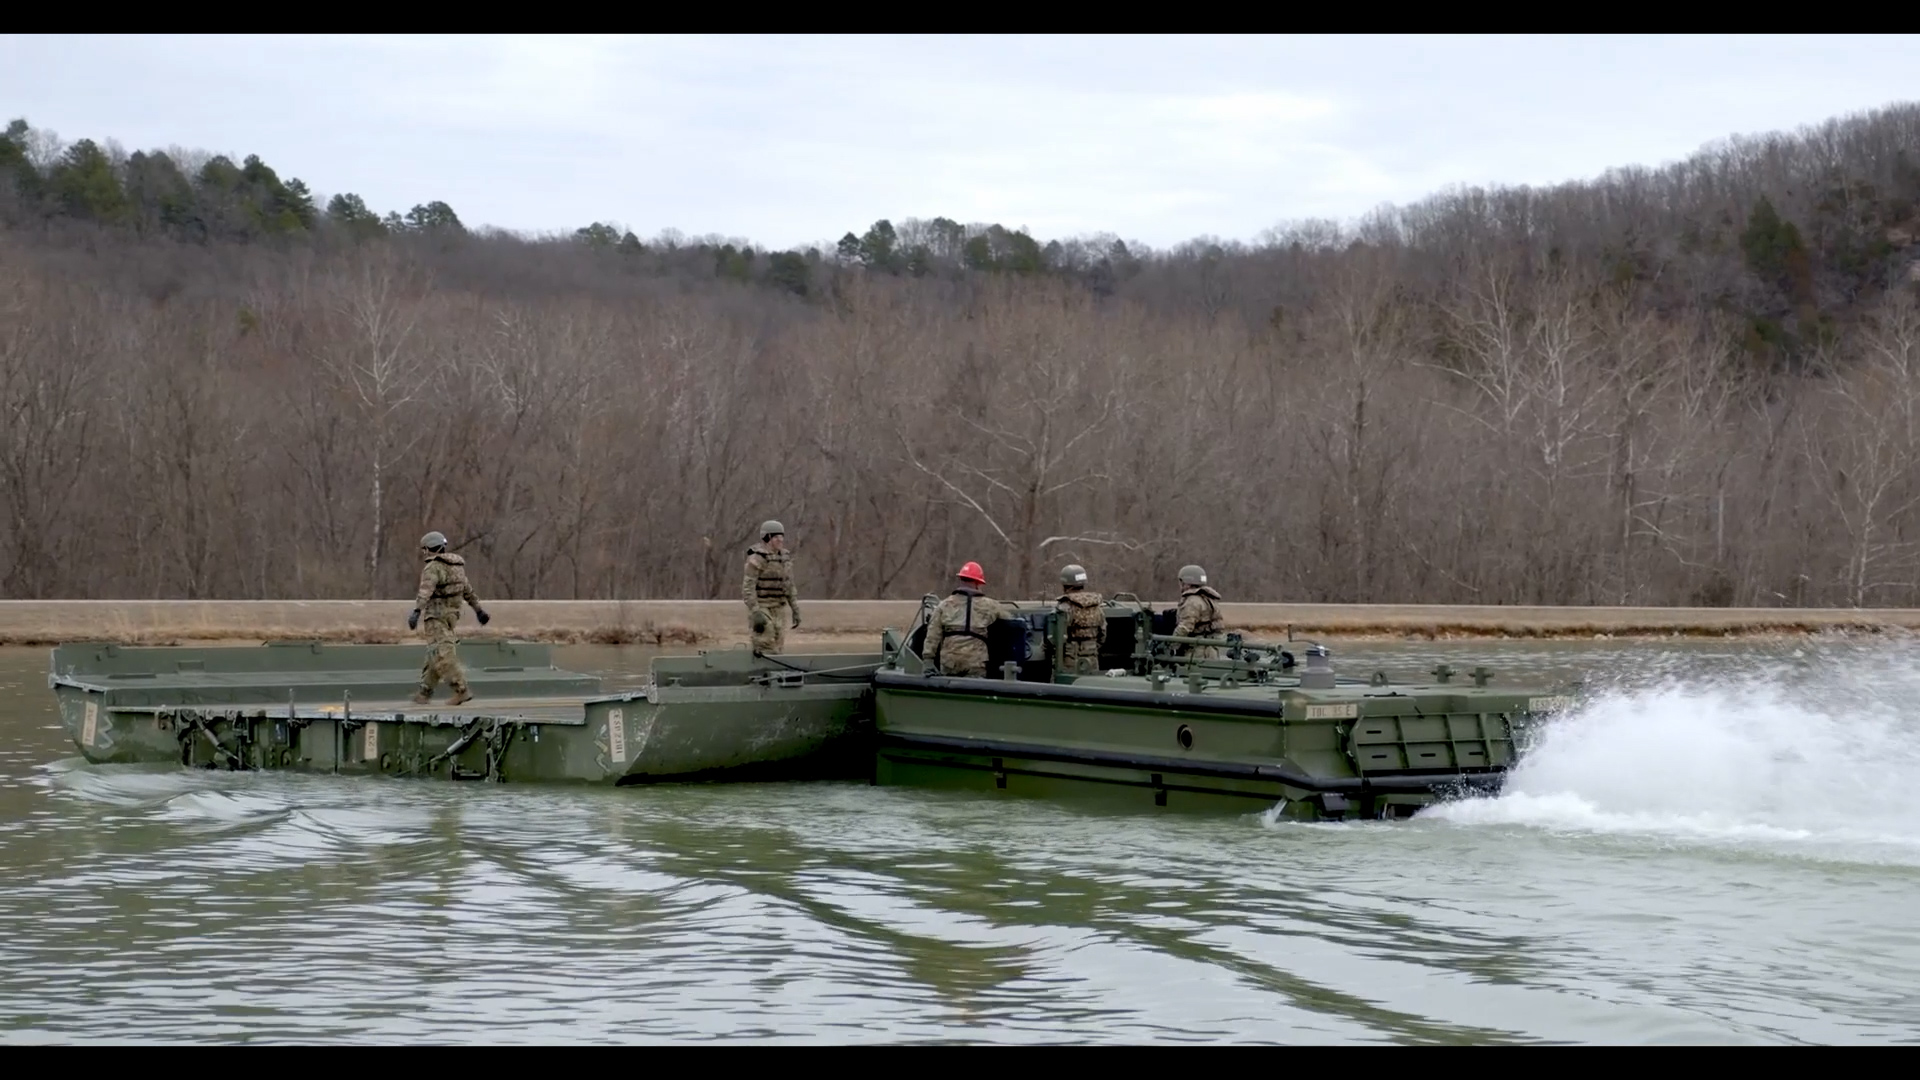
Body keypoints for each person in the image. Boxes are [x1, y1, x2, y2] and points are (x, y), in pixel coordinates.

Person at [408, 531, 490, 706]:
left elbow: (426, 591)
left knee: (443, 655)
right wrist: (478, 610)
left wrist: (416, 611)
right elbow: (468, 591)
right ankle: (424, 693)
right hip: (451, 617)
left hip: (436, 618)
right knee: (434, 653)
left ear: (428, 549)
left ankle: (461, 690)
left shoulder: (433, 567)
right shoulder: (456, 566)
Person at [922, 561, 1004, 678]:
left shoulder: (944, 605)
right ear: (978, 583)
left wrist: (928, 661)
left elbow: (932, 635)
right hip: (975, 662)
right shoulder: (991, 606)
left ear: (960, 580)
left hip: (950, 662)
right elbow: (1010, 623)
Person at [743, 519, 800, 655]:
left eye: (781, 537)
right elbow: (748, 587)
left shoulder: (784, 558)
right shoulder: (757, 558)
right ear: (767, 537)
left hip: (778, 607)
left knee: (778, 645)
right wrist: (755, 611)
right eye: (776, 537)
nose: (780, 540)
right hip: (762, 606)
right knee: (765, 643)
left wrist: (795, 609)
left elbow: (789, 585)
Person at [1051, 563, 1106, 675]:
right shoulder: (1096, 606)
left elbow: (1055, 639)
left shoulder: (1064, 607)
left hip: (1069, 662)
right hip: (1092, 661)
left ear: (1065, 584)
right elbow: (1103, 634)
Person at [1172, 564, 1224, 661]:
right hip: (1210, 649)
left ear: (1186, 583)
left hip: (1197, 652)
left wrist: (1171, 645)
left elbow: (1185, 627)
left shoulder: (1192, 601)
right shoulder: (1209, 599)